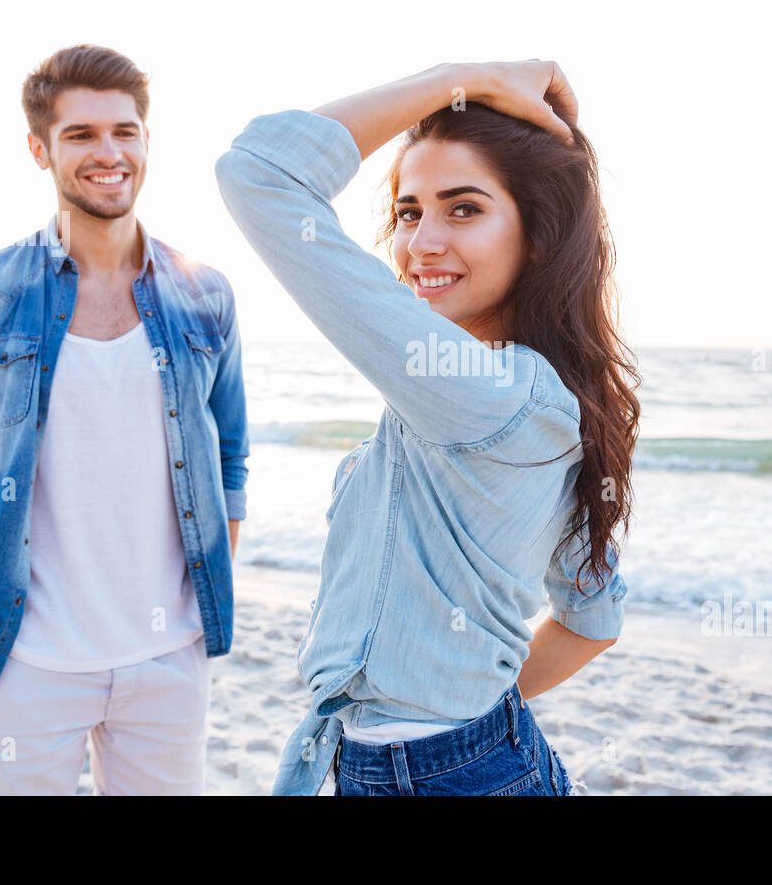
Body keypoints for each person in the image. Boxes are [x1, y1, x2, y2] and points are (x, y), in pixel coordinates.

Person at [215, 59, 640, 795]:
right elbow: (591, 618)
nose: (421, 244)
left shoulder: (490, 395)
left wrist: (460, 78)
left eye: (464, 209)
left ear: (539, 235)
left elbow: (259, 172)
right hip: (445, 764)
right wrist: (468, 713)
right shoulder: (535, 391)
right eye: (410, 211)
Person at [0, 44, 249, 795]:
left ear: (146, 141)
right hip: (23, 663)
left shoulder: (207, 296)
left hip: (169, 664)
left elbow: (228, 458)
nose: (109, 153)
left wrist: (203, 605)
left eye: (125, 131)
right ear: (39, 149)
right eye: (81, 135)